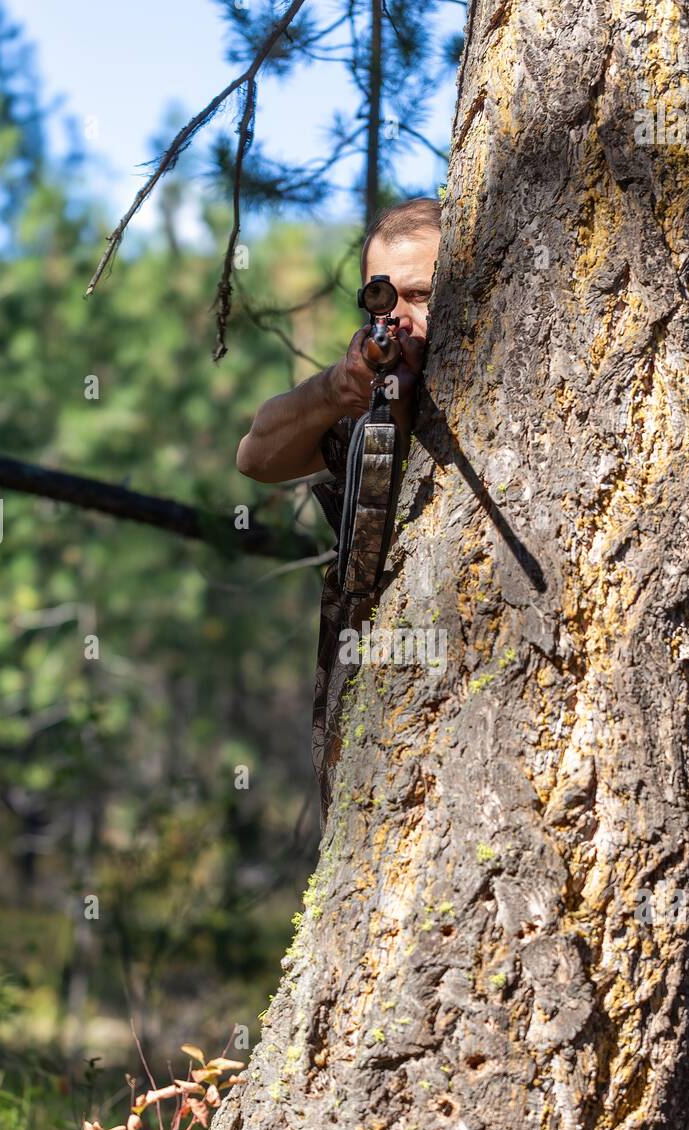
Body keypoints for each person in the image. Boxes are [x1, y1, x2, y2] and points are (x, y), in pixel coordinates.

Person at [237, 197, 442, 830]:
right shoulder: (361, 406)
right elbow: (256, 453)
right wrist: (337, 388)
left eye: (422, 295)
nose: (401, 318)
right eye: (386, 297)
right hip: (363, 719)